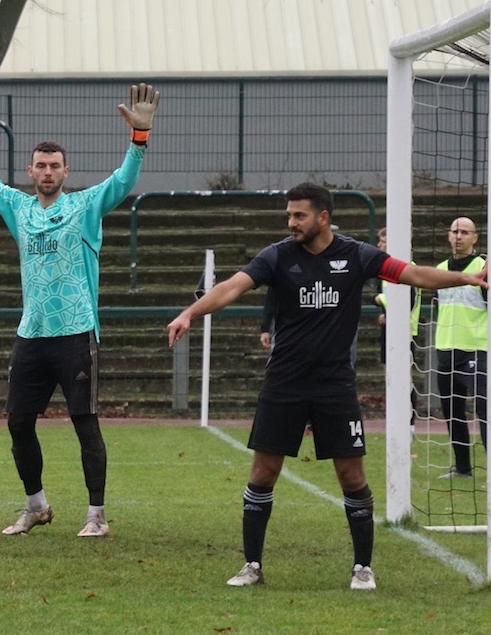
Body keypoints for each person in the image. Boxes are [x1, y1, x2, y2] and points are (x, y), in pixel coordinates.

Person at [165, 182, 489, 591]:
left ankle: (362, 568)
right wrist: (190, 313)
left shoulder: (356, 255)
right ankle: (252, 565)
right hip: (283, 382)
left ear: (323, 217)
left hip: (335, 386)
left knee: (351, 476)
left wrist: (464, 277)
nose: (291, 222)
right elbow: (232, 286)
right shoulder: (278, 255)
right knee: (263, 473)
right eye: (288, 215)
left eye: (299, 215)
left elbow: (412, 274)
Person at [0, 83, 159, 538]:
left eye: (55, 166)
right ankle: (36, 506)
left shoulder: (86, 206)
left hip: (76, 331)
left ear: (65, 171)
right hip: (32, 332)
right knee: (17, 422)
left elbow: (124, 182)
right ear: (30, 170)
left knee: (85, 423)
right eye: (40, 166)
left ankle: (96, 515)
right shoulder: (18, 206)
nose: (47, 172)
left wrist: (140, 137)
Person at [433, 217, 488, 478]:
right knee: (452, 413)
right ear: (448, 235)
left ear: (475, 238)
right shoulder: (441, 269)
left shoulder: (483, 267)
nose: (459, 236)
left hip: (476, 349)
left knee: (484, 410)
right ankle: (463, 468)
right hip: (445, 349)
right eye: (455, 231)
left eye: (465, 232)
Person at [373, 227, 421, 432]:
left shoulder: (408, 268)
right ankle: (398, 418)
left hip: (405, 332)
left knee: (404, 376)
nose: (379, 245)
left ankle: (408, 422)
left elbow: (407, 301)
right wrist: (386, 311)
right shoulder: (387, 269)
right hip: (390, 329)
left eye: (383, 240)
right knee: (391, 375)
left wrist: (381, 301)